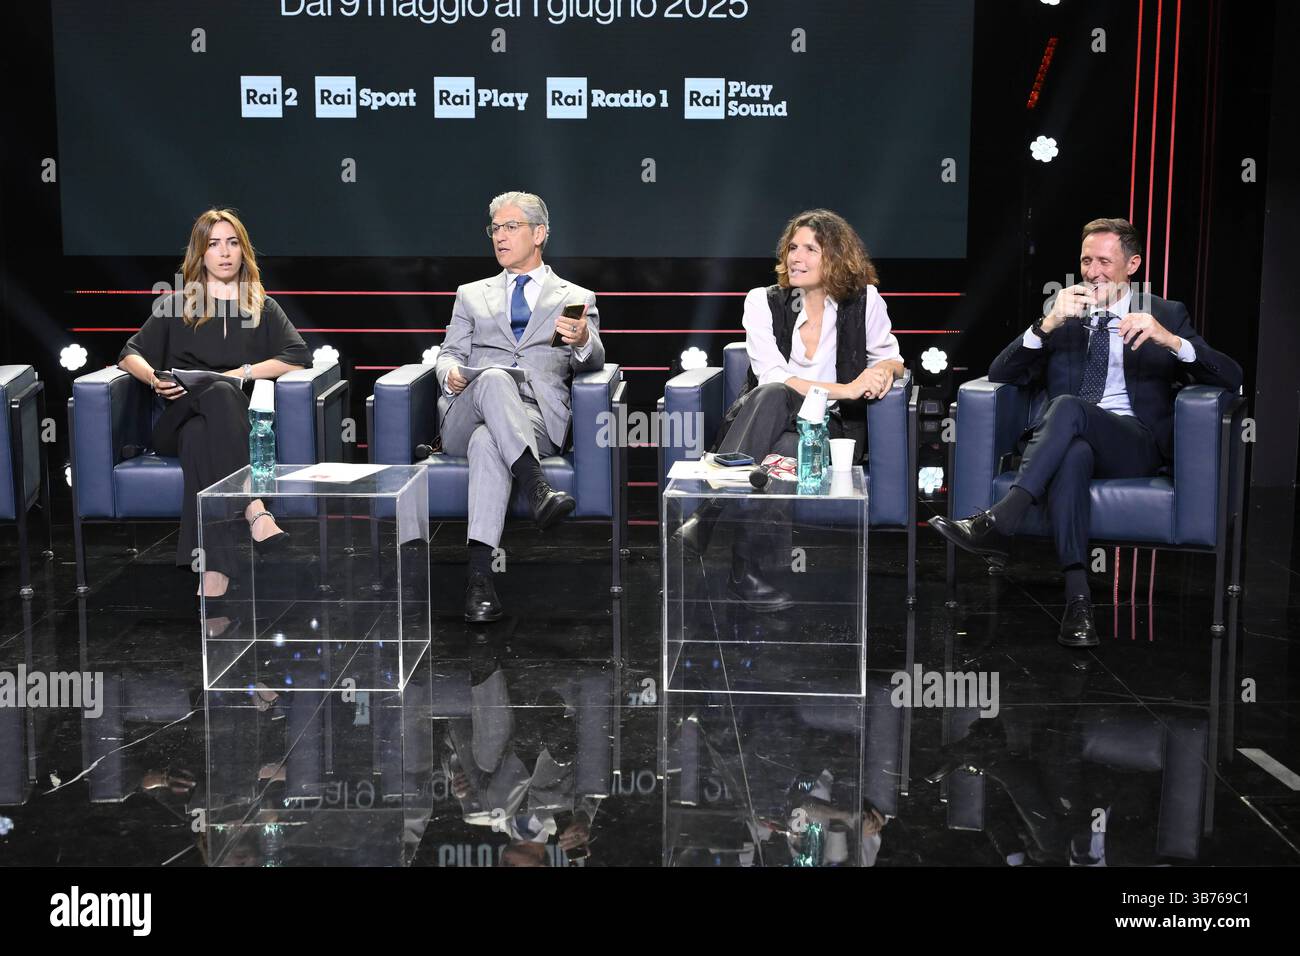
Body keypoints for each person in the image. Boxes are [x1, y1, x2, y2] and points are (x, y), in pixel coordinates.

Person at [929, 218, 1243, 647]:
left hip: (1134, 443)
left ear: (1132, 264)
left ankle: (1002, 518)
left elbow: (1231, 375)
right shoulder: (1067, 315)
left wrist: (1171, 340)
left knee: (1067, 408)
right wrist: (1047, 324)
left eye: (1105, 262)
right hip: (1069, 440)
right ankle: (1078, 603)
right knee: (1074, 451)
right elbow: (1001, 373)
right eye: (1086, 261)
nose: (1093, 273)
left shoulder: (1165, 312)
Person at [676, 209, 904, 609]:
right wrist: (849, 387)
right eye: (792, 247)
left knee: (783, 435)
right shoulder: (762, 302)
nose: (796, 257)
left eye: (810, 249)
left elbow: (894, 358)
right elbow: (772, 377)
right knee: (778, 423)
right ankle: (744, 572)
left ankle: (712, 518)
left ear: (836, 256)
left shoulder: (864, 302)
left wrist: (883, 370)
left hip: (829, 426)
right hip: (768, 415)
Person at [118, 208, 309, 599]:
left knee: (203, 432)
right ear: (200, 254)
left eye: (232, 243)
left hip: (216, 428)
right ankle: (254, 506)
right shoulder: (177, 305)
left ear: (243, 251)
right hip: (175, 417)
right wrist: (153, 377)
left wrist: (245, 372)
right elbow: (128, 354)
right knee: (217, 395)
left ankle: (214, 569)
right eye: (214, 244)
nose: (224, 252)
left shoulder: (262, 306)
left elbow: (297, 355)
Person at [434, 191, 605, 623]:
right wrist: (449, 372)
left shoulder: (576, 296)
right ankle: (537, 488)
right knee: (492, 377)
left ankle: (478, 580)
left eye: (511, 227)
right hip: (467, 406)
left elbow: (595, 359)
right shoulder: (471, 294)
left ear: (540, 233)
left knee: (487, 441)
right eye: (495, 228)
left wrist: (582, 338)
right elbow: (448, 353)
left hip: (535, 419)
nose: (500, 236)